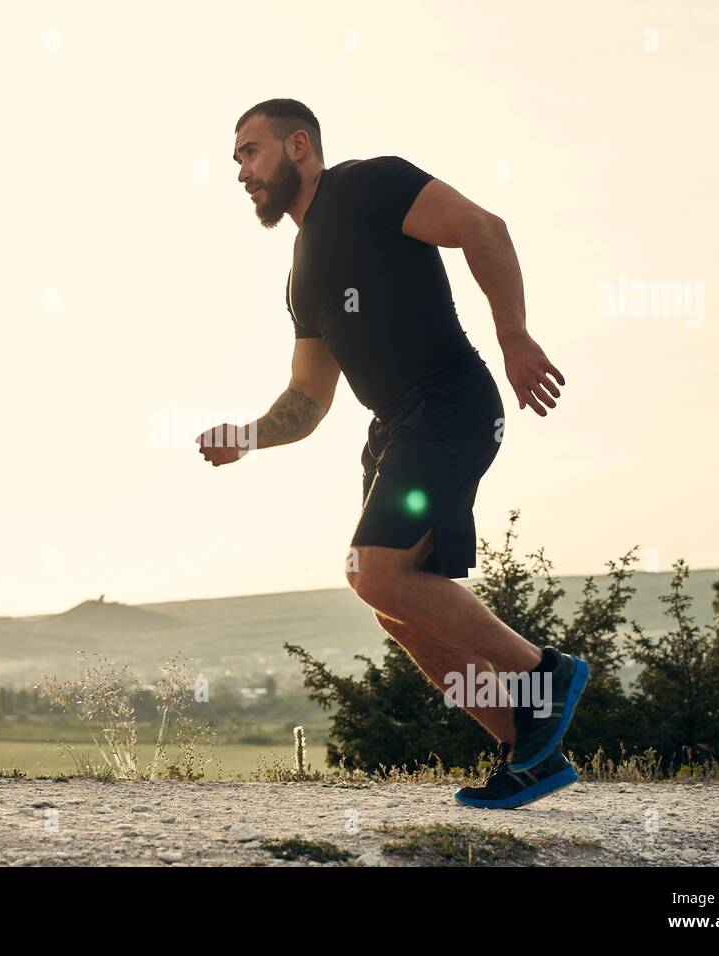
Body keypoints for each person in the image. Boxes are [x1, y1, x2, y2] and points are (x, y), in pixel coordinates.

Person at [196, 99, 588, 809]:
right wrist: (248, 435)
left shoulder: (369, 185)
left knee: (376, 572)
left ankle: (546, 675)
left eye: (251, 152)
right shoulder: (301, 275)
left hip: (450, 405)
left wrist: (515, 337)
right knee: (391, 602)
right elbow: (309, 400)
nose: (242, 172)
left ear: (299, 146)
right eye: (236, 160)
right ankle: (524, 751)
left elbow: (481, 228)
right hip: (394, 432)